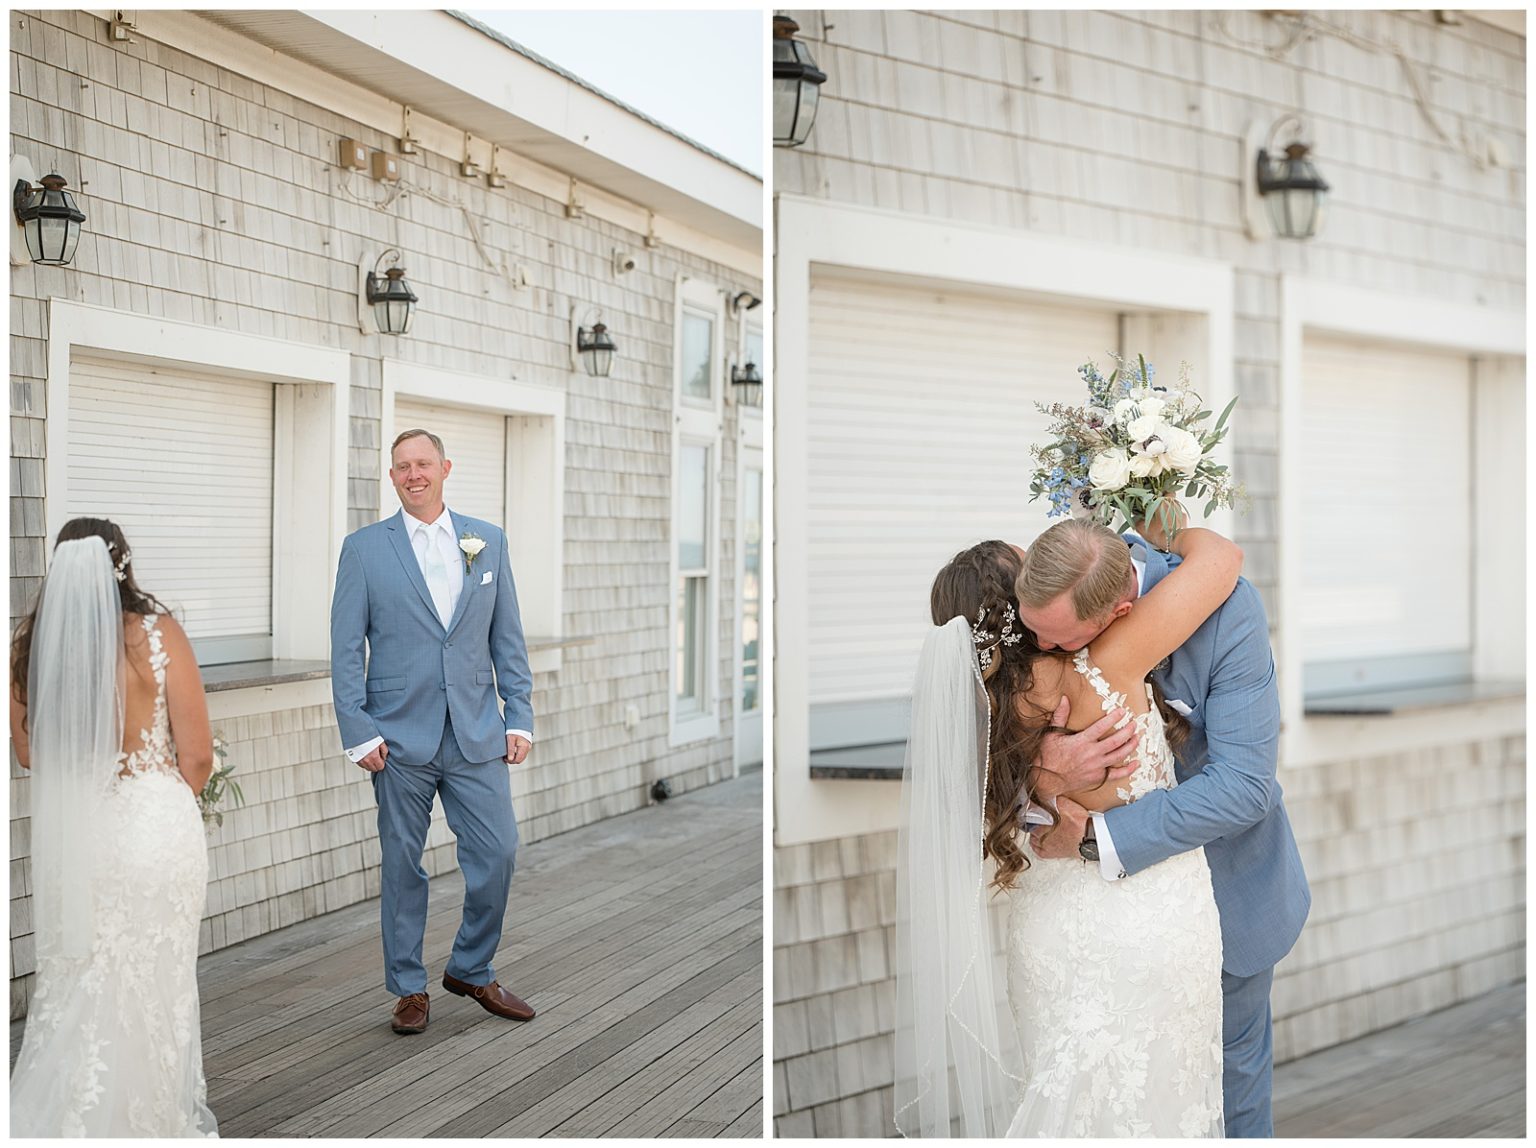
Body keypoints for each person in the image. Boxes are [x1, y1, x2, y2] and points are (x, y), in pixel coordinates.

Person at [894, 508, 1243, 1137]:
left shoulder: (991, 723)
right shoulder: (1105, 662)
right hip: (1148, 920)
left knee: (1066, 1094)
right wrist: (1160, 527)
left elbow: (986, 806)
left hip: (1049, 927)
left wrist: (1041, 780)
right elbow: (1221, 562)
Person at [1019, 513, 1310, 1137]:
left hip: (1222, 897)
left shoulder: (1228, 609)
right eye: (1034, 635)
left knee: (1226, 1104)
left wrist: (1095, 838)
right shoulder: (1051, 598)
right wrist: (1040, 771)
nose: (1040, 652)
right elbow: (994, 735)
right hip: (1088, 922)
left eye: (1058, 643)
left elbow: (1244, 786)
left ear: (1119, 614)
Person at [10, 518, 219, 1137]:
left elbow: (30, 755)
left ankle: (77, 1111)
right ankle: (147, 1117)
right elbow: (198, 756)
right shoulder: (159, 636)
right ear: (124, 566)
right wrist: (156, 795)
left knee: (85, 972)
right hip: (156, 826)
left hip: (85, 832)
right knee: (157, 976)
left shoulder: (31, 642)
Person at [330, 428, 535, 1035]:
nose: (413, 474)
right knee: (402, 863)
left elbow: (508, 636)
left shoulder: (487, 541)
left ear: (446, 467)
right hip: (397, 739)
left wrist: (517, 713)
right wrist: (358, 730)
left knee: (498, 852)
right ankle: (408, 988)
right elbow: (345, 649)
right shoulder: (364, 549)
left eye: (422, 464)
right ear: (391, 477)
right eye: (401, 467)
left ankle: (471, 967)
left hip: (477, 732)